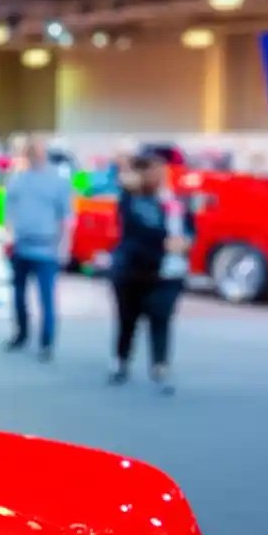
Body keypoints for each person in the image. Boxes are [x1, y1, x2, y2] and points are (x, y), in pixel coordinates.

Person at [108, 152, 195, 395]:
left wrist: (186, 242)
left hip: (170, 272)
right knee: (128, 320)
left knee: (161, 319)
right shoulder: (133, 199)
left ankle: (160, 366)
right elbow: (137, 230)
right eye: (153, 170)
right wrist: (164, 242)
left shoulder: (175, 200)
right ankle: (121, 361)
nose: (159, 176)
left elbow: (190, 227)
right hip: (134, 271)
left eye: (161, 170)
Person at [4, 137, 74, 362]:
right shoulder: (18, 180)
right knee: (19, 295)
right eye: (30, 151)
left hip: (46, 247)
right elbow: (10, 213)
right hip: (22, 246)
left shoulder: (58, 181)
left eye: (37, 150)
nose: (34, 154)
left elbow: (66, 217)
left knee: (46, 298)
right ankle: (21, 333)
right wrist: (8, 238)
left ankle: (47, 341)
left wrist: (64, 247)